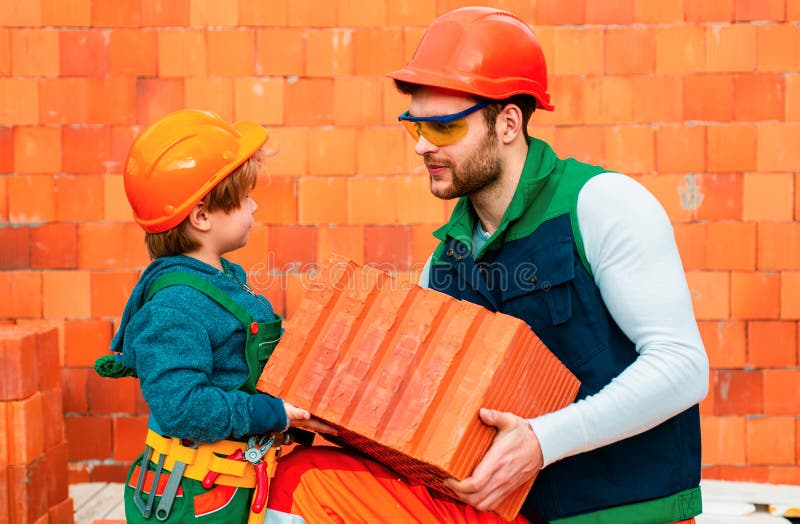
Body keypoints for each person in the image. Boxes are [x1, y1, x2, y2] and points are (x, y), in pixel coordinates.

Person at [265, 6, 708, 524]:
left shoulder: (601, 203)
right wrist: (331, 408)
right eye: (415, 127)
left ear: (508, 123)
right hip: (505, 513)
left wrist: (542, 440)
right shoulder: (444, 263)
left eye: (444, 128)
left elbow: (683, 367)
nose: (423, 146)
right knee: (298, 480)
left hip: (627, 513)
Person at [95, 109, 331, 523]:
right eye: (244, 198)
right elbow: (182, 407)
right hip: (198, 502)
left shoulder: (224, 279)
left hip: (237, 484)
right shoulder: (173, 309)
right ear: (201, 215)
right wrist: (269, 413)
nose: (255, 205)